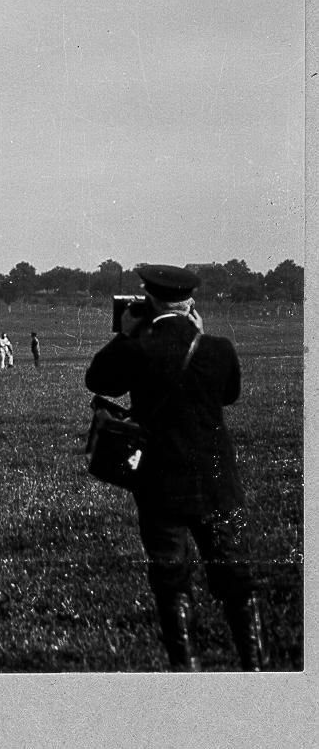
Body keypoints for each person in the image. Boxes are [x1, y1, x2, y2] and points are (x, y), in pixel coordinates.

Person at [85, 264, 263, 671]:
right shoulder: (218, 348)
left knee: (171, 581)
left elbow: (97, 381)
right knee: (238, 581)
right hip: (219, 484)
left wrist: (126, 334)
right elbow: (229, 394)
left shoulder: (137, 347)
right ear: (190, 303)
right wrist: (198, 336)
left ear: (148, 299)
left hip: (160, 486)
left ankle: (188, 672)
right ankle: (256, 668)